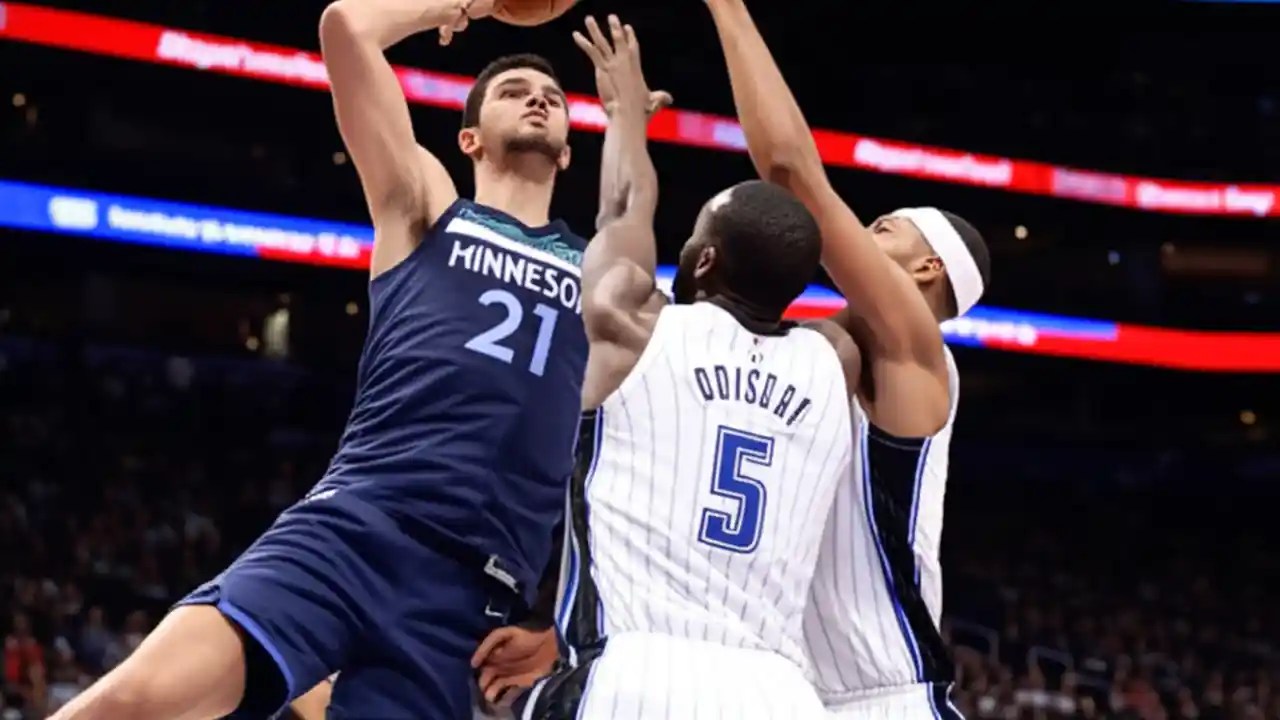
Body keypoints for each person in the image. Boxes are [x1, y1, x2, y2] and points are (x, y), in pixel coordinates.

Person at [52, 1, 596, 718]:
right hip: (357, 524)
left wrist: (567, 624)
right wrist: (470, 5)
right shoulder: (428, 205)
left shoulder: (604, 276)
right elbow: (347, 28)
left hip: (468, 596)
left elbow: (626, 467)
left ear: (567, 149)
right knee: (131, 699)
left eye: (553, 97)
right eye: (514, 91)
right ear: (468, 138)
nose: (537, 100)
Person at [480, 15, 863, 719]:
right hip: (782, 693)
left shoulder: (633, 321)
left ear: (705, 259)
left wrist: (626, 116)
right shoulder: (836, 360)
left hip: (636, 671)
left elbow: (624, 208)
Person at [704, 0, 991, 717]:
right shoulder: (809, 349)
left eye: (883, 228)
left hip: (886, 696)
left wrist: (727, 9)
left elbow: (789, 172)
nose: (861, 231)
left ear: (927, 268)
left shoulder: (914, 348)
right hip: (788, 691)